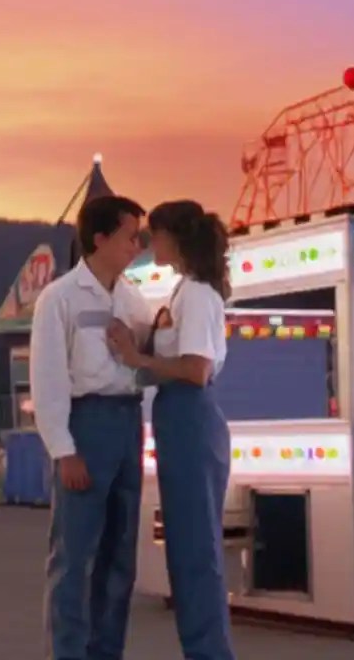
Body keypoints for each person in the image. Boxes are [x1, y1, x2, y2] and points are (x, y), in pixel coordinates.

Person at [108, 200, 236, 660]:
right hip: (178, 419)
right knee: (185, 548)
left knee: (195, 551)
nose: (149, 243)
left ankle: (209, 652)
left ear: (174, 238)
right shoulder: (184, 290)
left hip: (190, 417)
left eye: (155, 235)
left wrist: (137, 357)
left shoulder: (197, 295)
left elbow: (196, 369)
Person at [30, 194, 154, 660]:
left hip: (127, 419)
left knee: (119, 556)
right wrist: (63, 449)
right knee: (74, 556)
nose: (136, 246)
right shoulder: (59, 298)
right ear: (99, 238)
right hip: (86, 421)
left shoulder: (133, 298)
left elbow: (147, 359)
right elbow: (48, 378)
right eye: (129, 236)